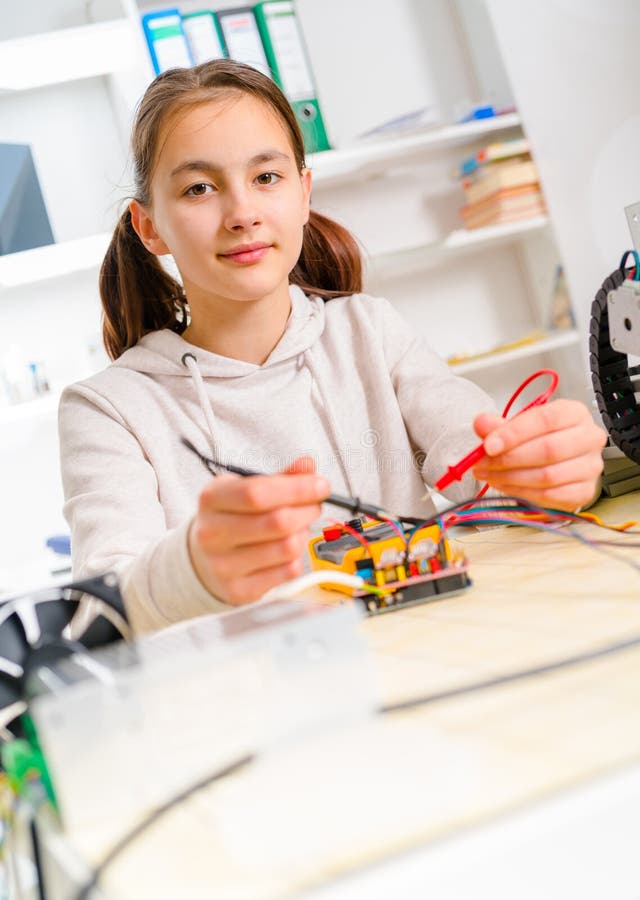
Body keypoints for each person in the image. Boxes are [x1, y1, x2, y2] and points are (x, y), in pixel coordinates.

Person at [59, 60, 606, 634]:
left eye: (266, 177)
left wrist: (557, 472)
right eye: (199, 188)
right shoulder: (109, 410)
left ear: (303, 193)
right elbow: (97, 616)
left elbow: (481, 457)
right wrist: (191, 568)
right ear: (150, 228)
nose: (242, 213)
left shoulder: (371, 332)